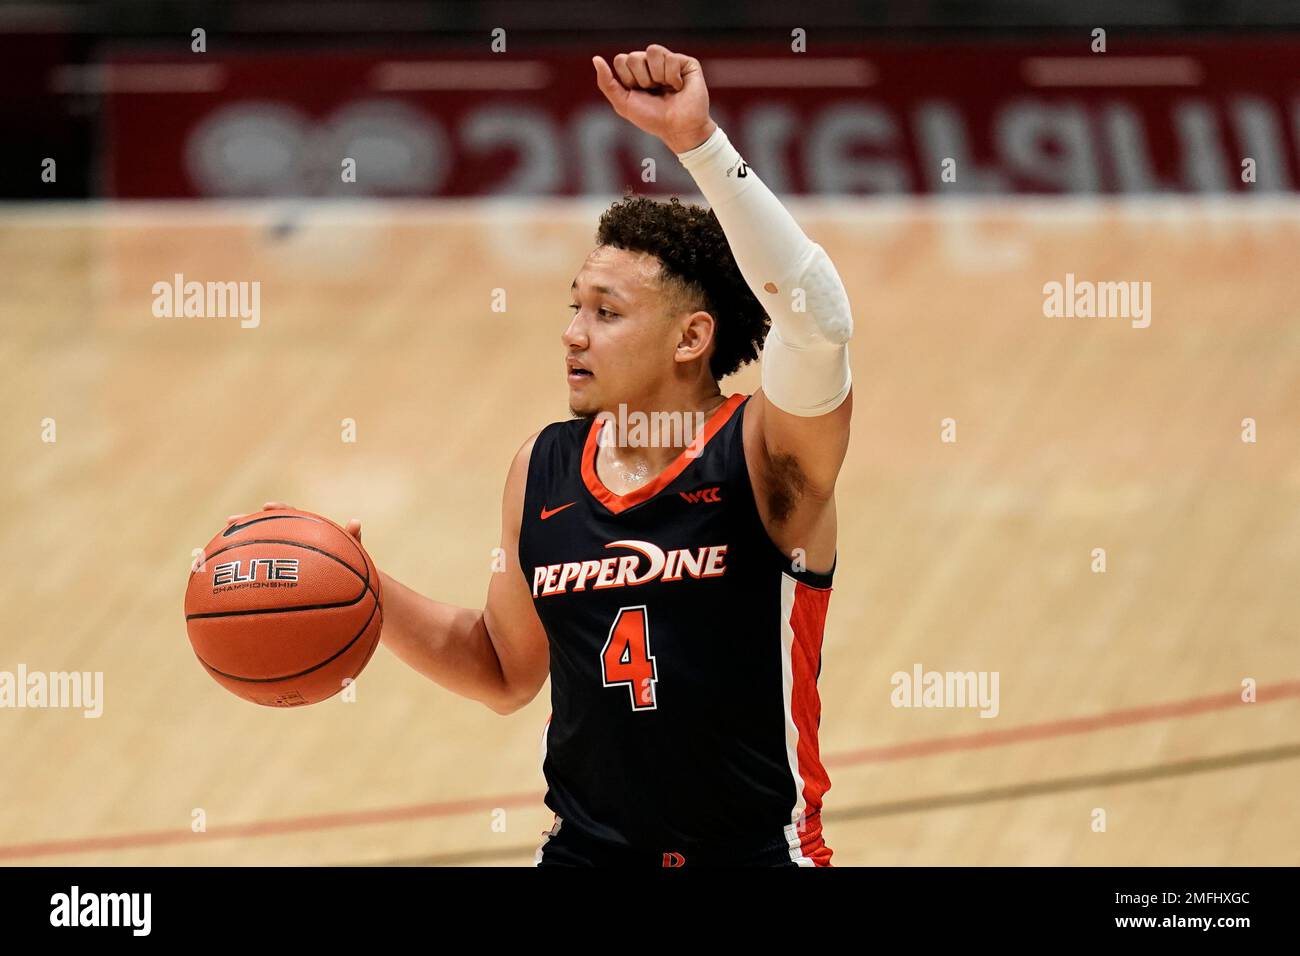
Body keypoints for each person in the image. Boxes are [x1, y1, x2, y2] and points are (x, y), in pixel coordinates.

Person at [234, 44, 854, 867]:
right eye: (574, 307)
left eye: (605, 312)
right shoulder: (544, 466)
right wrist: (362, 581)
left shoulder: (768, 456)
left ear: (691, 337)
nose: (572, 332)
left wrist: (701, 146)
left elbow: (817, 318)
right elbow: (501, 669)